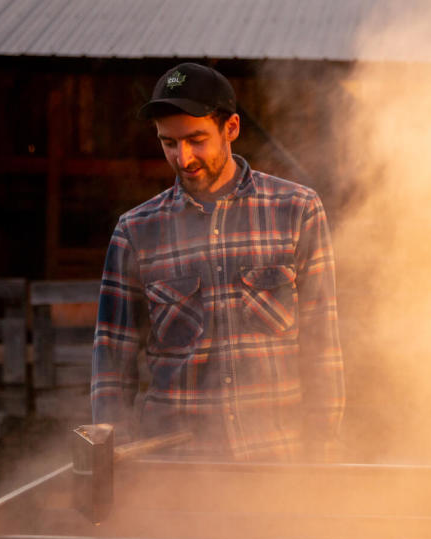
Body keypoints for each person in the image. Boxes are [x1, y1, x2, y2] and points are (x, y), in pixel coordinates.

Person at [91, 62, 344, 461]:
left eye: (196, 140)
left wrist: (321, 449)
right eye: (168, 143)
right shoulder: (135, 231)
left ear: (231, 128)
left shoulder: (297, 210)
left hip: (277, 462)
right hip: (177, 468)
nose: (183, 157)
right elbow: (112, 363)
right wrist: (114, 461)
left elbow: (321, 344)